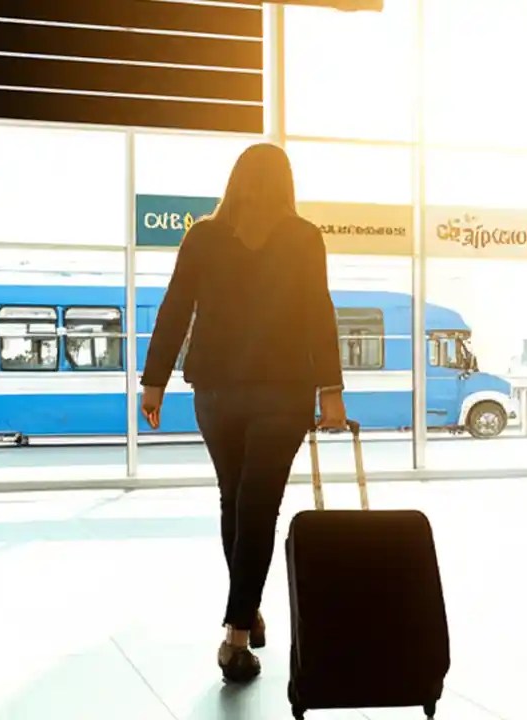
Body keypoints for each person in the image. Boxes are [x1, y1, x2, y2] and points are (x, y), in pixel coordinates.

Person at [139, 142, 347, 683]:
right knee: (253, 505)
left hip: (216, 393)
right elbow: (317, 313)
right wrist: (330, 390)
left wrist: (154, 381)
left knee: (237, 501)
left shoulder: (204, 236)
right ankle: (238, 628)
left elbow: (175, 307)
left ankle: (240, 615)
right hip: (282, 392)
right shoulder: (303, 238)